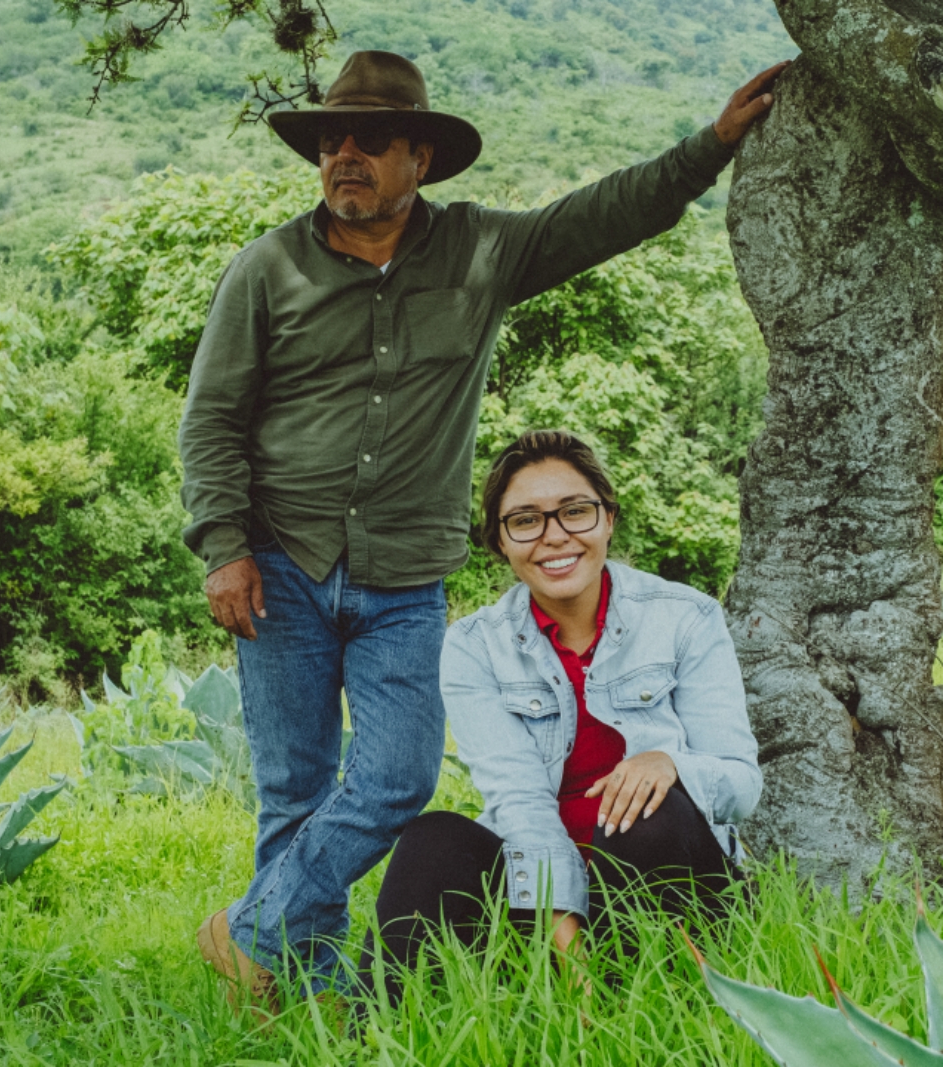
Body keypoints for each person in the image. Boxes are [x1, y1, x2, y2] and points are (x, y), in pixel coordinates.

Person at [180, 50, 786, 1008]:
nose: (345, 155)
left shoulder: (480, 251)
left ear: (419, 156)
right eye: (332, 140)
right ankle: (295, 987)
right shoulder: (267, 269)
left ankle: (248, 930)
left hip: (403, 576)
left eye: (371, 140)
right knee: (295, 788)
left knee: (395, 778)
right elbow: (211, 417)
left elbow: (601, 216)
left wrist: (710, 146)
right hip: (279, 561)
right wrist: (222, 547)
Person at [361, 430, 760, 1003]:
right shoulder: (474, 646)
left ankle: (664, 993)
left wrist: (670, 764)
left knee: (641, 811)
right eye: (525, 521)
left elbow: (741, 785)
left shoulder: (686, 617)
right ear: (501, 541)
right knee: (433, 838)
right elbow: (520, 804)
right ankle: (372, 1031)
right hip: (542, 895)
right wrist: (575, 975)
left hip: (668, 880)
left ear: (608, 519)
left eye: (575, 511)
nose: (554, 536)